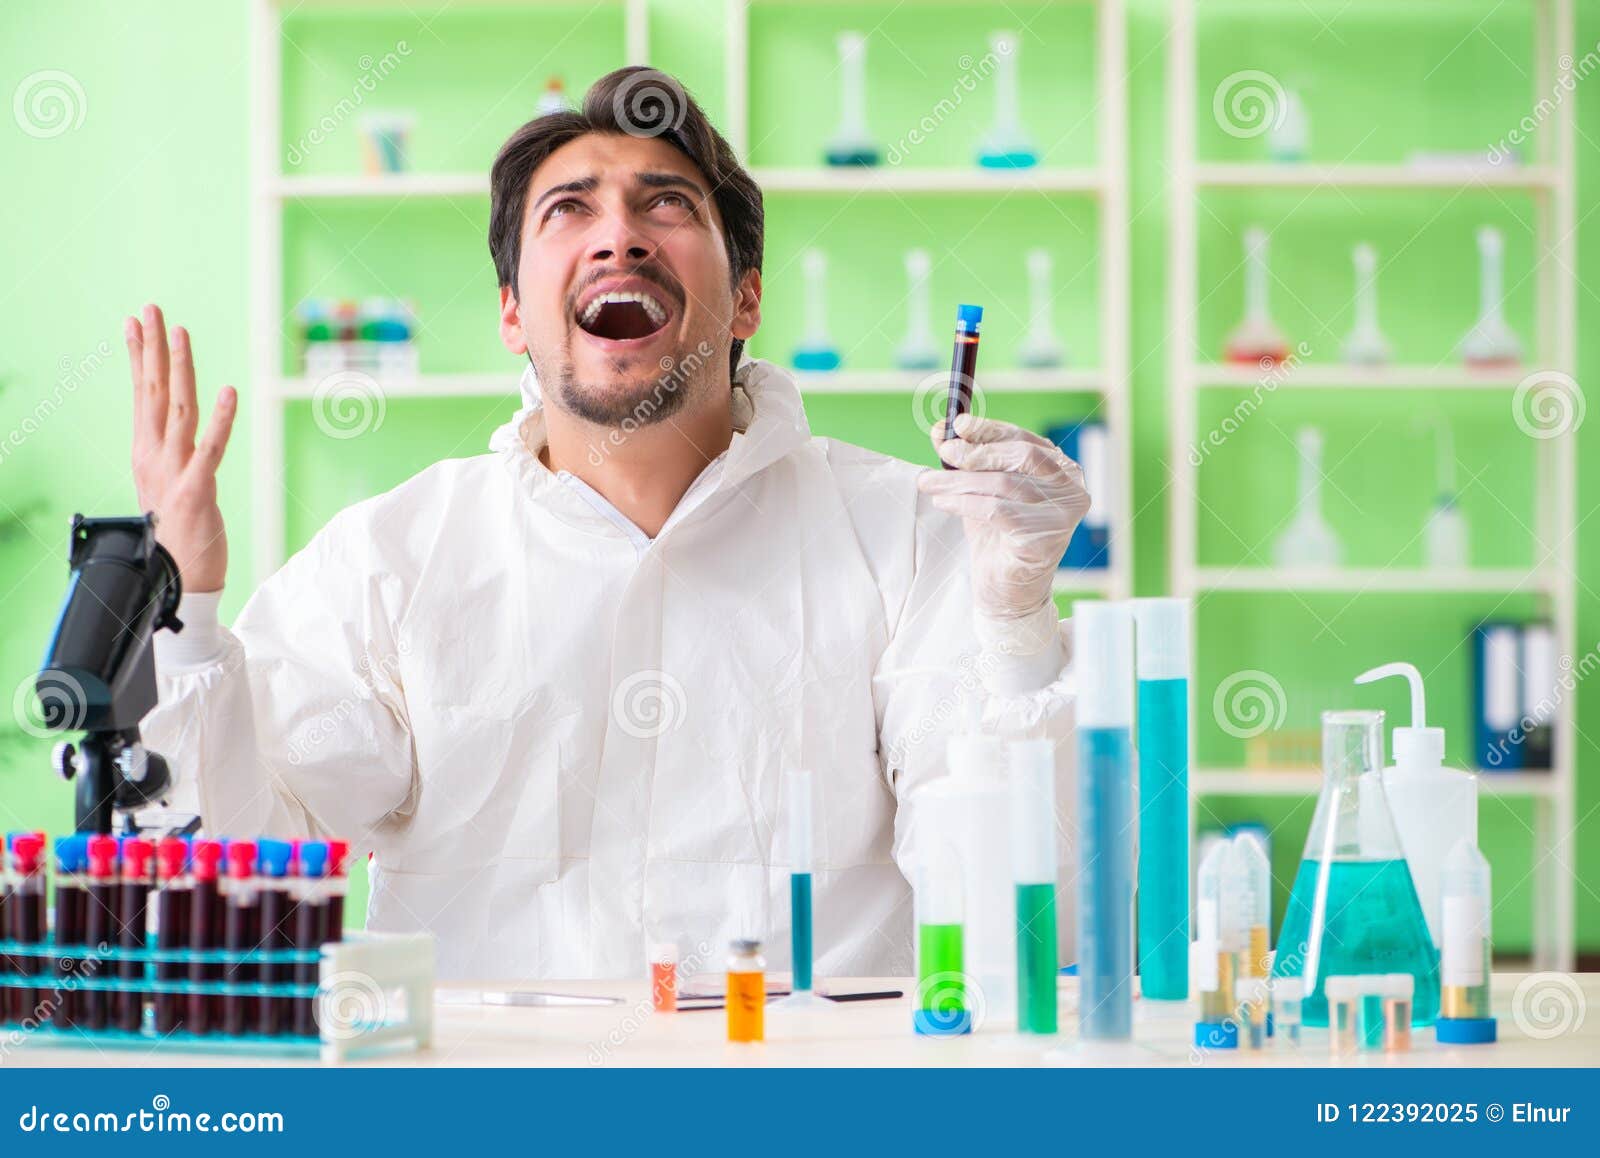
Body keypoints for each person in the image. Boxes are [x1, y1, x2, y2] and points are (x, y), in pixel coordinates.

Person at [133, 67, 1090, 980]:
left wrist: (1013, 628)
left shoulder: (907, 538)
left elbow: (1021, 931)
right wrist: (189, 621)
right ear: (513, 311)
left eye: (666, 203)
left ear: (747, 295)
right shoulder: (392, 557)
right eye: (569, 209)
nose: (619, 237)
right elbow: (232, 884)